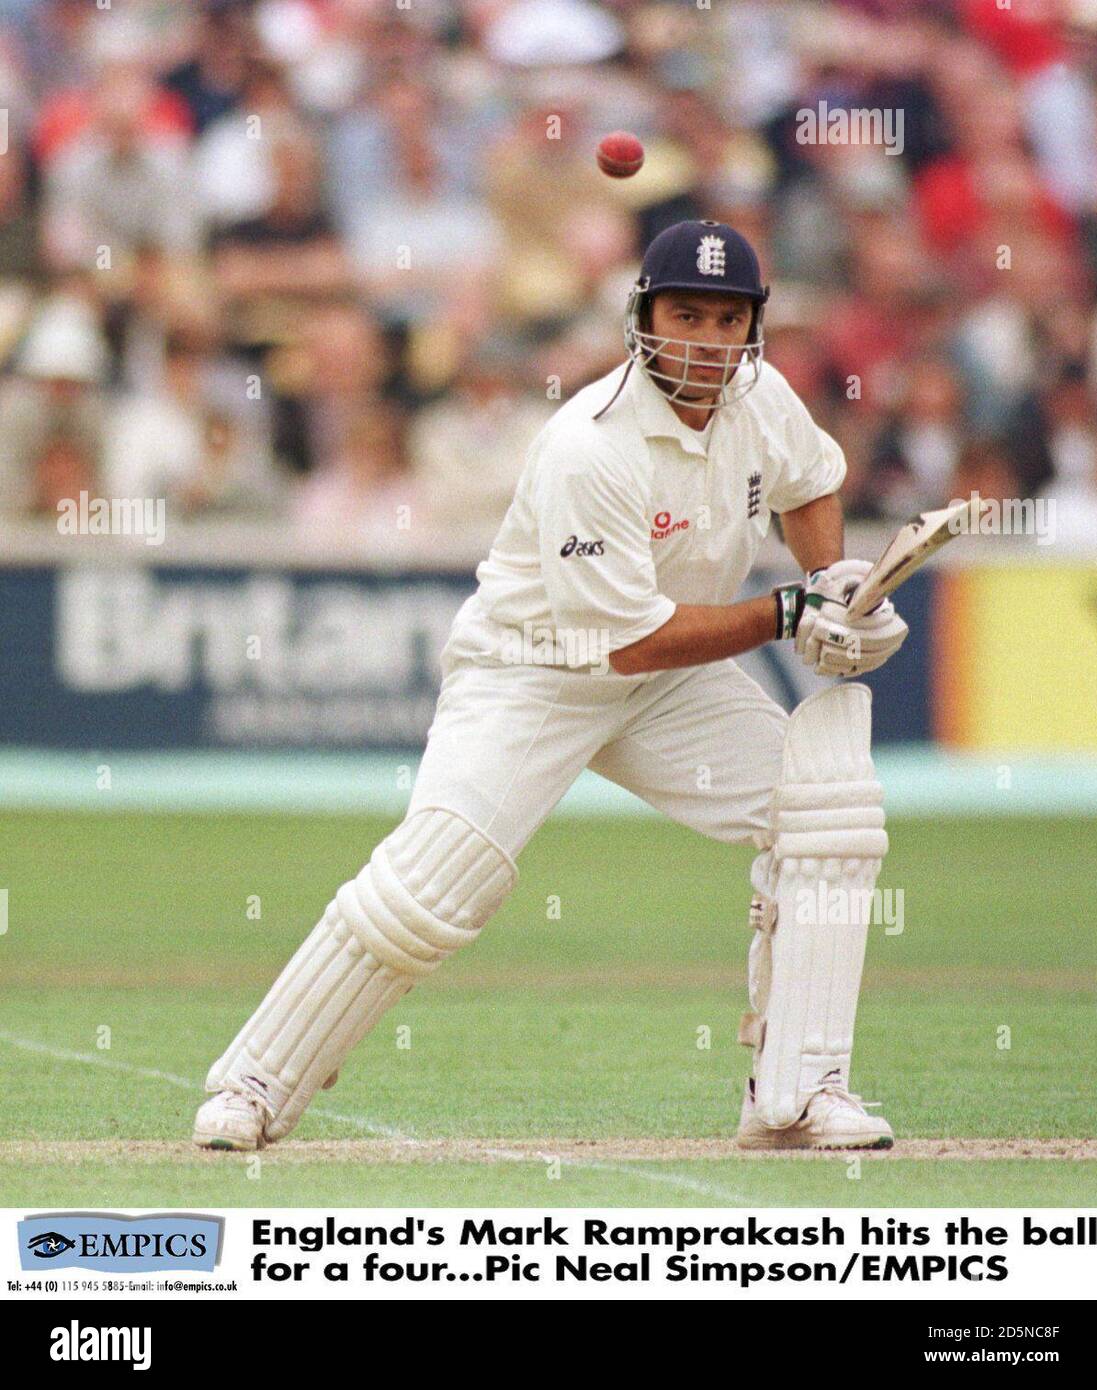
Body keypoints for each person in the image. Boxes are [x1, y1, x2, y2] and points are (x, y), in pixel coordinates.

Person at [193, 220, 907, 1154]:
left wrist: (838, 589)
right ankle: (254, 1081)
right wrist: (789, 612)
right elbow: (626, 642)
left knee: (825, 809)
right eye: (682, 314)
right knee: (434, 885)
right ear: (642, 319)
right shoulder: (588, 445)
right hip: (535, 668)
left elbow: (809, 483)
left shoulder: (761, 397)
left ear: (751, 330)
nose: (703, 337)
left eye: (724, 319)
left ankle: (797, 1095)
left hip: (665, 677)